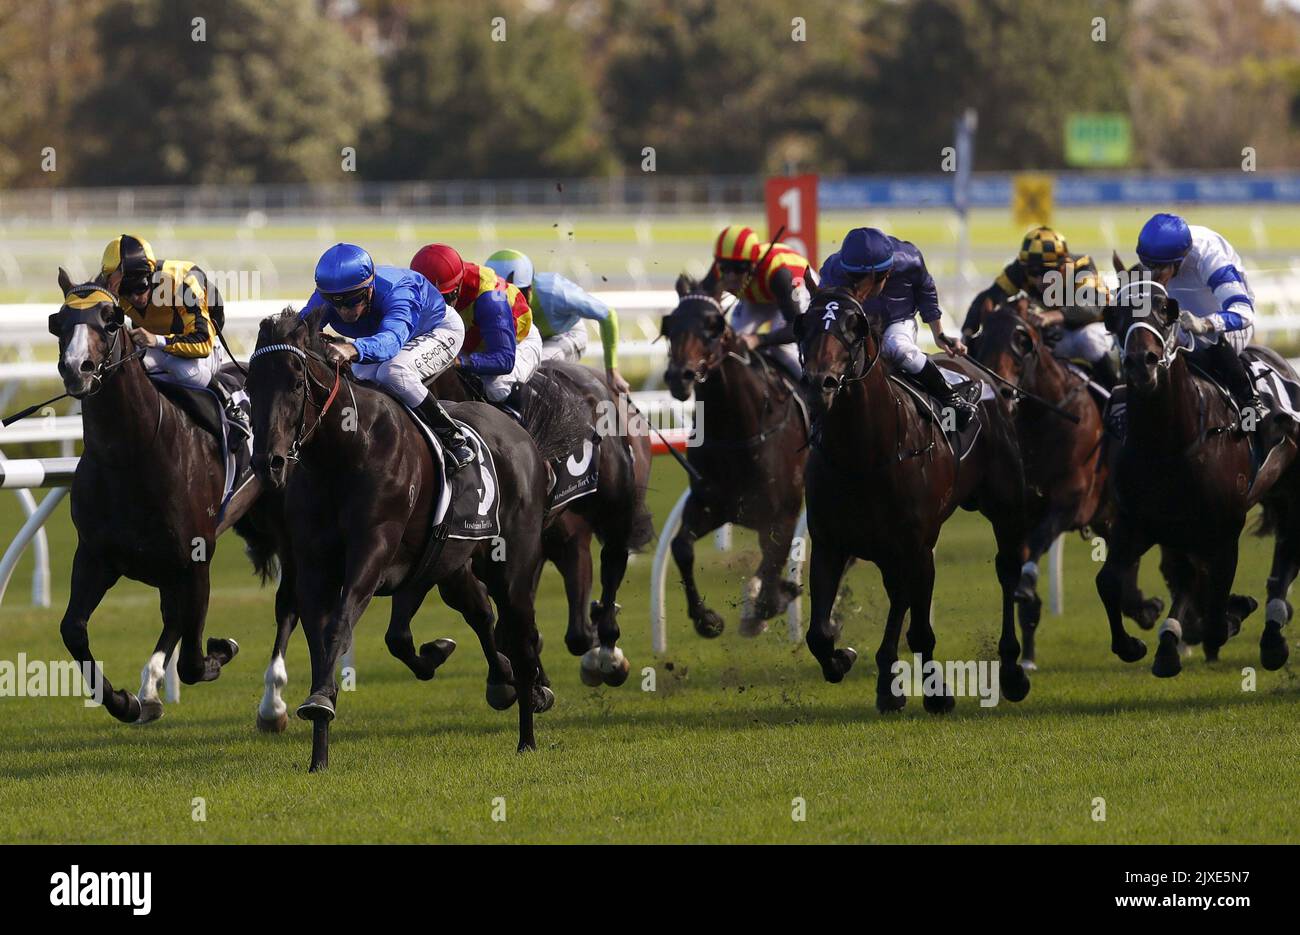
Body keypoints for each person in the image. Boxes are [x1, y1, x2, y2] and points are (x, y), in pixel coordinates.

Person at [299, 243, 473, 472]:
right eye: (336, 303)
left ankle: (454, 438)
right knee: (359, 379)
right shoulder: (331, 295)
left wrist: (353, 348)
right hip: (386, 335)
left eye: (353, 300)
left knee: (393, 372)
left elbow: (391, 341)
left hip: (436, 328)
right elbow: (298, 329)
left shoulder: (399, 291)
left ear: (370, 288)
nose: (344, 311)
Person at [98, 233, 251, 447]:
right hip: (153, 349)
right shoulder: (108, 285)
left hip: (202, 348)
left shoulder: (182, 281)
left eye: (140, 288)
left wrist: (159, 341)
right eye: (125, 292)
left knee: (178, 367)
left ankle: (230, 399)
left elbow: (203, 343)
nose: (134, 298)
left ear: (150, 276)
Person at [821, 227, 975, 428]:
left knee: (896, 347)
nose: (858, 289)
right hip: (857, 325)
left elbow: (925, 290)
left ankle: (951, 397)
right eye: (853, 279)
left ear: (886, 273)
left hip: (898, 322)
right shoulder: (833, 269)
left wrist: (939, 334)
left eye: (864, 281)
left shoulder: (909, 260)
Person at [1134, 212, 1265, 422]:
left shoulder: (1209, 256)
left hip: (1228, 324)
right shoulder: (1154, 257)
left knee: (1201, 339)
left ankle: (1250, 402)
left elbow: (1243, 311)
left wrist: (1205, 323)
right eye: (1147, 265)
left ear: (1178, 261)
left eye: (1159, 269)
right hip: (1183, 316)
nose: (1153, 275)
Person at [962, 226, 1117, 389]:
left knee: (1088, 340)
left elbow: (1092, 305)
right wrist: (967, 333)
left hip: (1099, 329)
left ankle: (1114, 394)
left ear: (1063, 265)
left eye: (1046, 271)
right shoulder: (1021, 270)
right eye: (1032, 272)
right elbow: (988, 297)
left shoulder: (1081, 267)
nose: (1038, 280)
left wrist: (1052, 316)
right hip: (1060, 332)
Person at [410, 244, 541, 409]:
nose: (436, 306)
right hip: (470, 340)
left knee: (496, 389)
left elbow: (504, 360)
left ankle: (534, 423)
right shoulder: (443, 279)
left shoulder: (490, 300)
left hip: (515, 343)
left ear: (457, 288)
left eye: (441, 298)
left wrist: (461, 362)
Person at [484, 249, 630, 394]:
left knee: (531, 366)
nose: (510, 302)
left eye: (516, 293)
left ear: (529, 289)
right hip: (528, 338)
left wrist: (612, 371)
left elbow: (607, 315)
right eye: (501, 295)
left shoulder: (555, 291)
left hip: (566, 334)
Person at [698, 225, 813, 380]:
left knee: (781, 350)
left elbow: (797, 328)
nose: (730, 276)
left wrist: (759, 339)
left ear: (753, 264)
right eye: (725, 268)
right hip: (758, 296)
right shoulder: (719, 268)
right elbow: (699, 303)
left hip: (793, 289)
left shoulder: (779, 273)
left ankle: (810, 394)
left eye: (739, 268)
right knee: (734, 343)